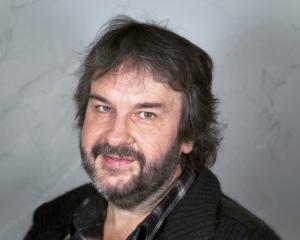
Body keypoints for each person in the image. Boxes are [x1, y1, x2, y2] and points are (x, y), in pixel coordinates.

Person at [24, 16, 280, 240]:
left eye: (145, 114)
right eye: (103, 108)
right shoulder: (52, 220)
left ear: (189, 134)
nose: (115, 136)